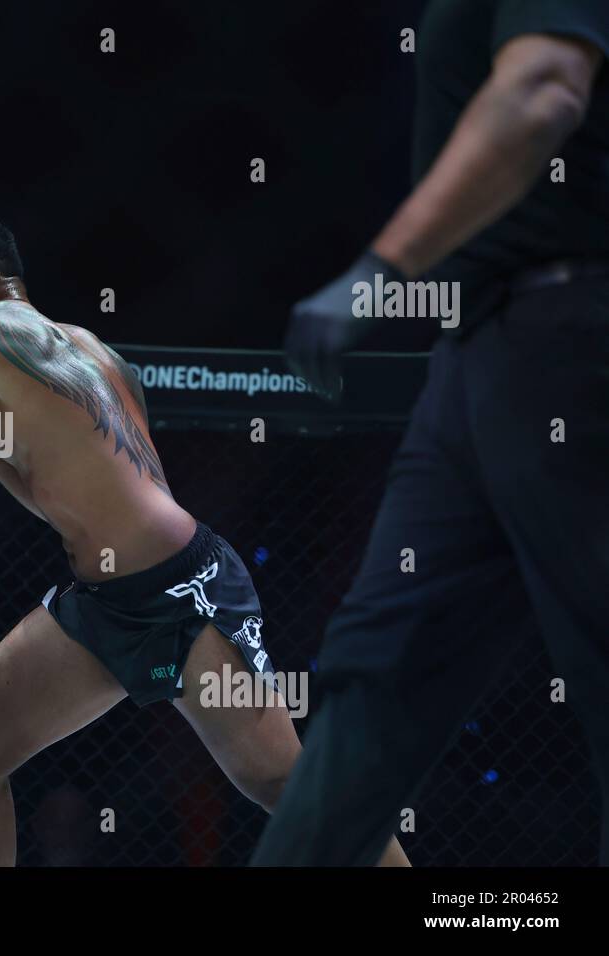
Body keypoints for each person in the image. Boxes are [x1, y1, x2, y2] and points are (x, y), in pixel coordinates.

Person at [0, 215, 408, 866]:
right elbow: (69, 505)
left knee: (280, 783)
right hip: (105, 600)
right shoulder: (96, 353)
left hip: (184, 593)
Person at [255, 0, 609, 865]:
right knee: (377, 673)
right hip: (480, 353)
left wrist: (382, 271)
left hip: (576, 333)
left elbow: (543, 90)